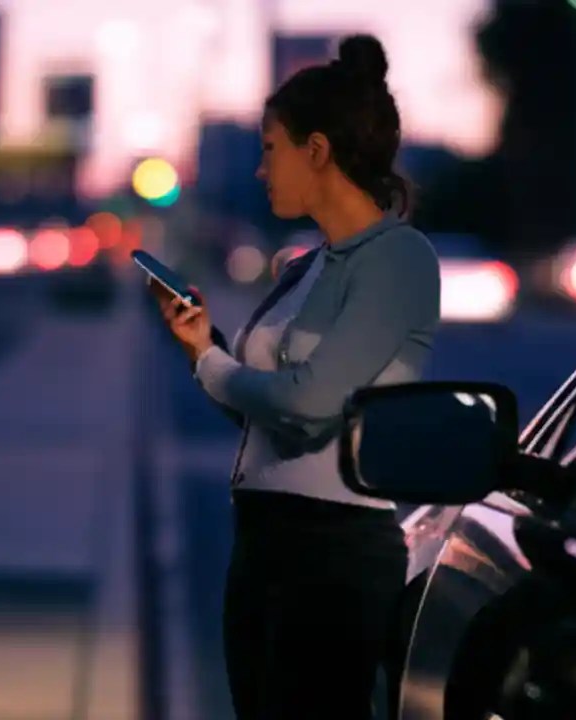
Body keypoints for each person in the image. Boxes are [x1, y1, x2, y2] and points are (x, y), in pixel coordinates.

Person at [151, 34, 442, 720]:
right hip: (262, 543)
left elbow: (310, 404)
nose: (260, 169)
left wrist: (217, 367)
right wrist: (201, 350)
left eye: (270, 148)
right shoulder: (302, 268)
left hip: (334, 552)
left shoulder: (399, 259)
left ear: (317, 151)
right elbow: (267, 413)